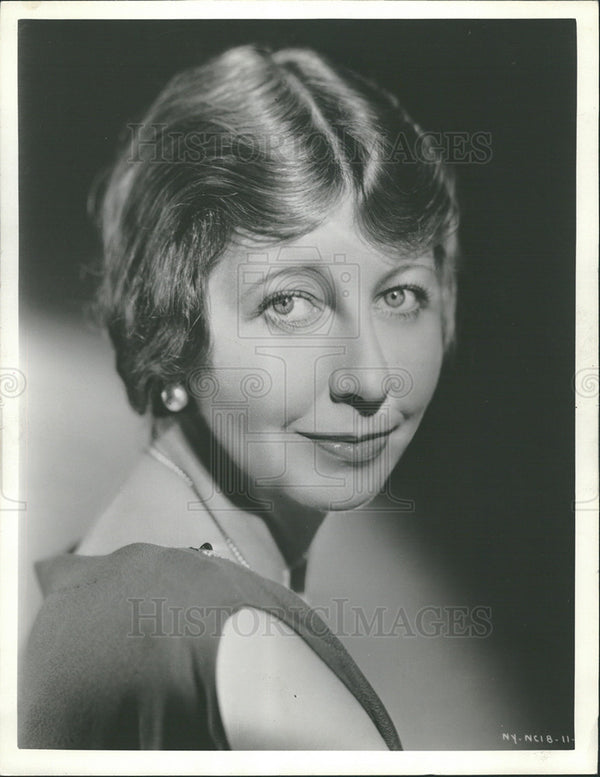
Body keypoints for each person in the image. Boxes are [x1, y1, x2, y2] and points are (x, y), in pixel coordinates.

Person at [19, 44, 459, 750]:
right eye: (289, 302)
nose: (371, 378)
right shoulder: (242, 653)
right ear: (172, 328)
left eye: (400, 294)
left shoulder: (99, 584)